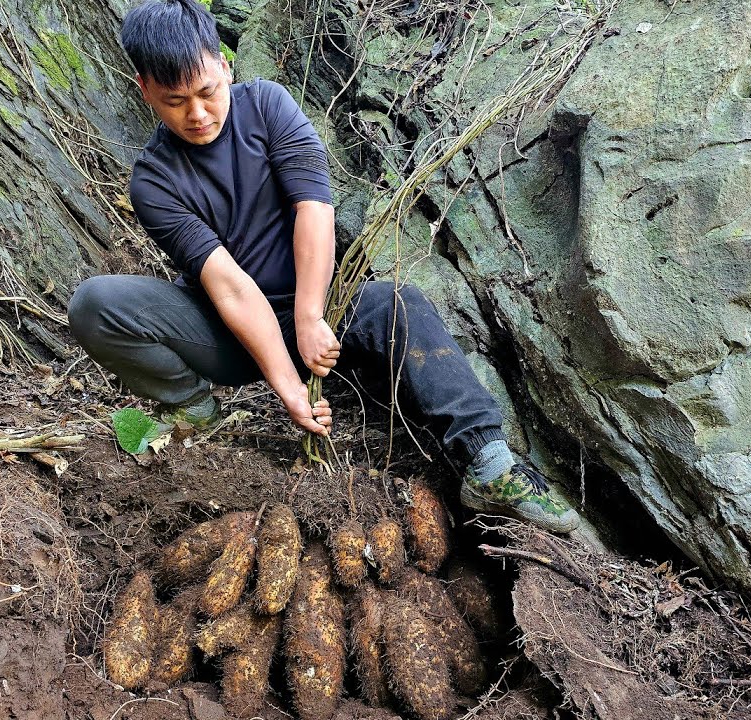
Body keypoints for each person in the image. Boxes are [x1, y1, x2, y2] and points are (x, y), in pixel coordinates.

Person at [67, 0, 580, 533]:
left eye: (206, 93)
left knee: (399, 304)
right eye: (175, 102)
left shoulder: (267, 106)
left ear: (225, 65)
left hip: (329, 310)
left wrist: (311, 316)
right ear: (145, 89)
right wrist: (289, 388)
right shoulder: (153, 182)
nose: (196, 115)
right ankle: (194, 408)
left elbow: (314, 208)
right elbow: (230, 287)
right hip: (233, 332)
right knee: (96, 305)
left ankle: (490, 465)